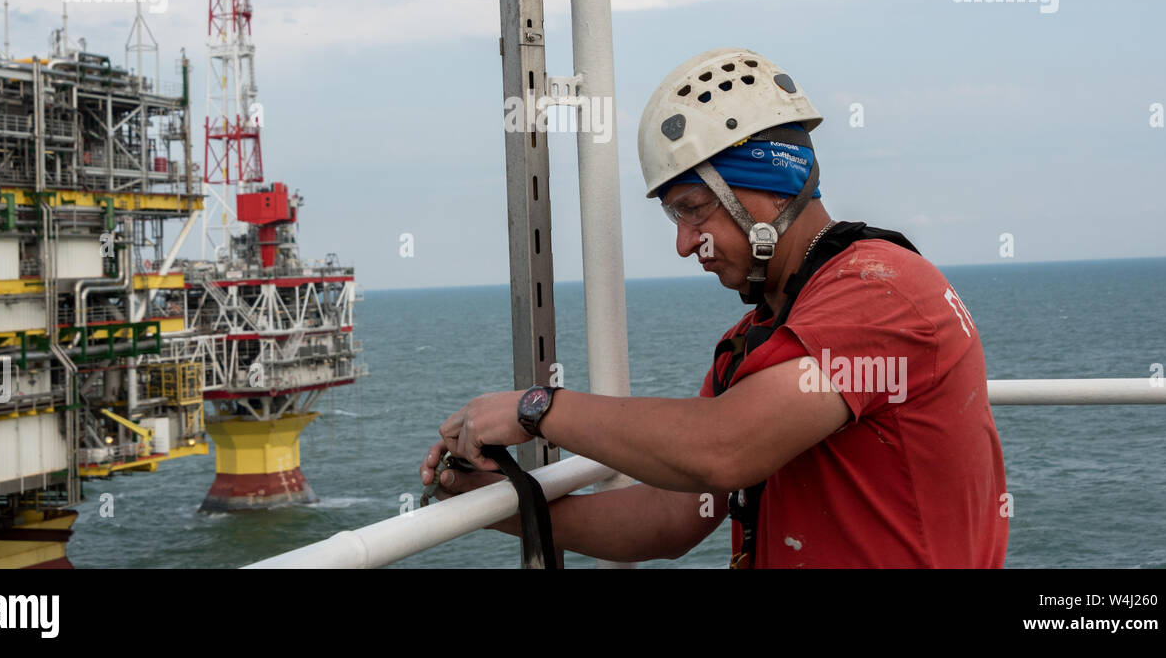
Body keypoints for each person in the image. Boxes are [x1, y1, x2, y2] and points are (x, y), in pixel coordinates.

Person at [422, 48, 1008, 568]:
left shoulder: (881, 293)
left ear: (771, 184)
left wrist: (536, 408)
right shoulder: (756, 342)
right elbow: (670, 517)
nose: (684, 244)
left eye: (694, 209)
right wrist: (493, 504)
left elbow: (723, 448)